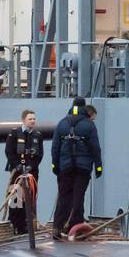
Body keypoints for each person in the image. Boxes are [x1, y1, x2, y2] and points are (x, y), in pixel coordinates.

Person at [50, 99, 102, 240]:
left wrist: (55, 166)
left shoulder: (62, 123)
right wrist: (98, 167)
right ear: (84, 107)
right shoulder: (89, 125)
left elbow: (55, 148)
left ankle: (57, 227)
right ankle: (75, 226)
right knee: (78, 197)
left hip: (65, 167)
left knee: (64, 196)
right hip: (83, 167)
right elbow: (95, 148)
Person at [4, 110, 43, 235]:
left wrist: (31, 166)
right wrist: (17, 165)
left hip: (31, 173)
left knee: (29, 199)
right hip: (17, 172)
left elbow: (40, 154)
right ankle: (14, 224)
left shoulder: (37, 135)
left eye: (34, 119)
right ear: (24, 120)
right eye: (30, 119)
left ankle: (25, 226)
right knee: (16, 199)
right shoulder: (14, 134)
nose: (33, 121)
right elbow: (9, 152)